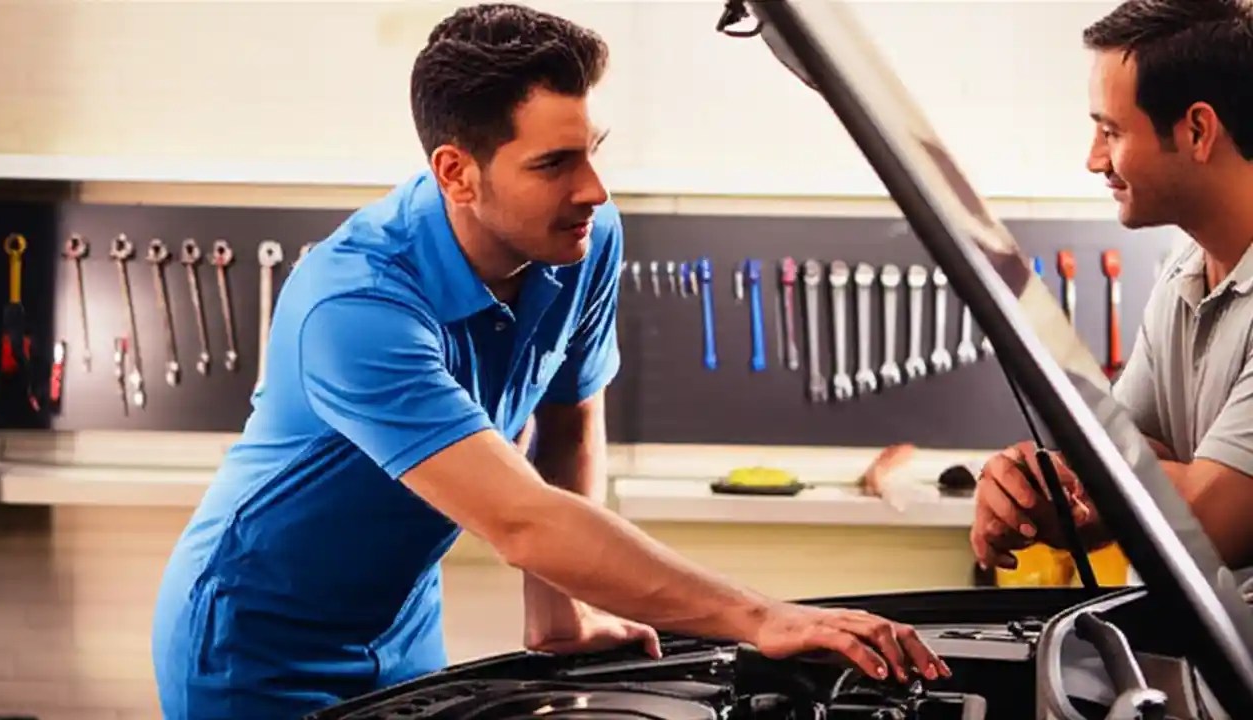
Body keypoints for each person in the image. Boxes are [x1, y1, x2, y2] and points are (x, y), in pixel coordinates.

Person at [150, 4, 950, 718]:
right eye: (553, 164)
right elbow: (522, 520)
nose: (594, 189)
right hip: (253, 647)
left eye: (592, 151)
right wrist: (761, 616)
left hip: (401, 626)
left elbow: (569, 416)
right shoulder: (352, 305)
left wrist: (558, 611)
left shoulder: (584, 240)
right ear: (457, 173)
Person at [972, 0, 1253, 578]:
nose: (1094, 158)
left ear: (1198, 130)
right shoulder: (1185, 268)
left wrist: (1120, 476)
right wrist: (1044, 494)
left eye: (1111, 130)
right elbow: (1124, 464)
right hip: (1185, 649)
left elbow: (1207, 525)